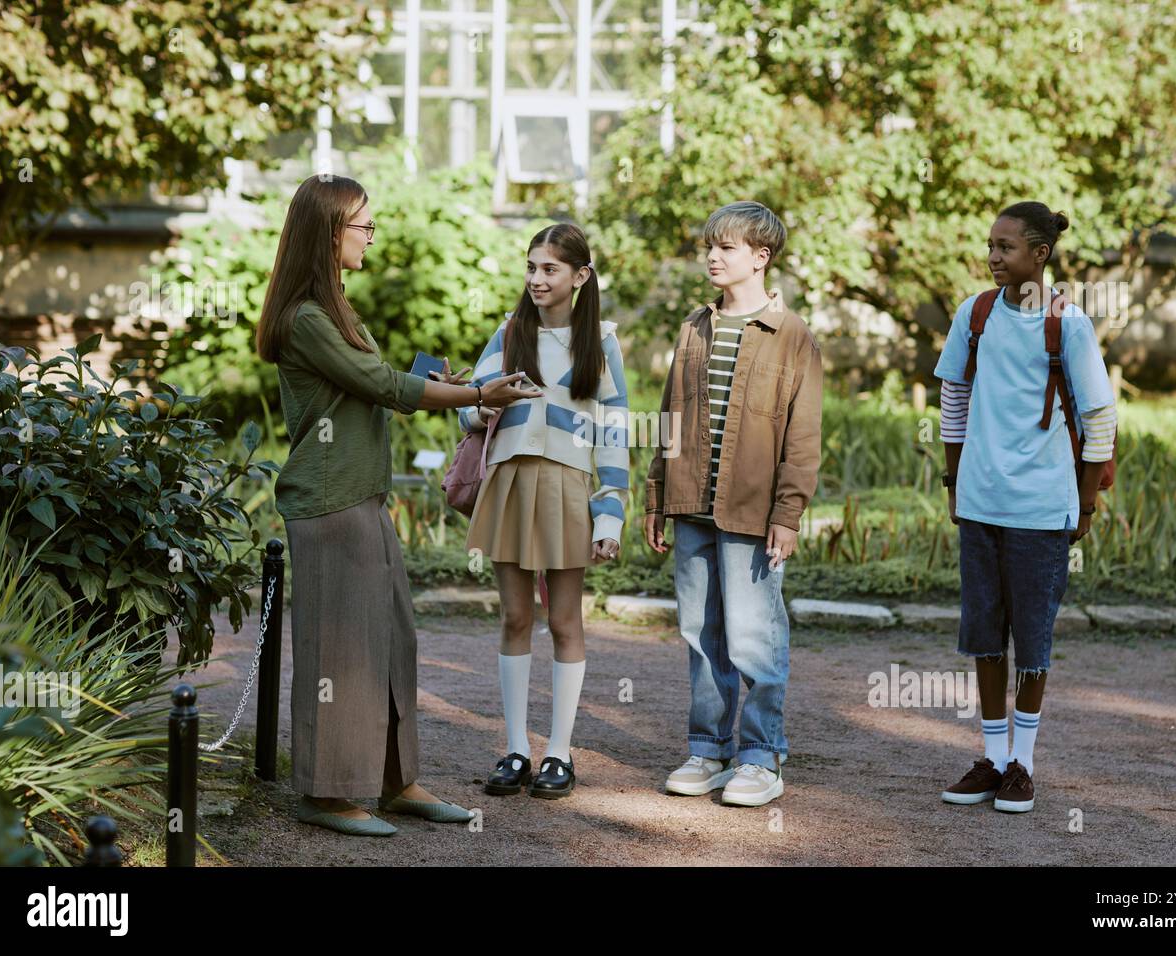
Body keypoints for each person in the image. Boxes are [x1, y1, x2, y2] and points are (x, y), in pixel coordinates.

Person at [256, 174, 539, 836]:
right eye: (364, 226)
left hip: (363, 498)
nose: (370, 237)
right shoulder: (305, 319)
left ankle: (393, 782)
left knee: (392, 642)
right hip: (328, 501)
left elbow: (375, 386)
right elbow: (378, 383)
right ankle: (326, 795)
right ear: (329, 233)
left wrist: (441, 385)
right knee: (339, 653)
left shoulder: (339, 310)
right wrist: (475, 397)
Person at [934, 201, 1117, 813]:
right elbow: (954, 398)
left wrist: (1085, 504)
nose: (993, 257)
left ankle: (1023, 765)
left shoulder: (1068, 325)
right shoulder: (974, 314)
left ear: (1040, 255)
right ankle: (989, 759)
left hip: (1042, 507)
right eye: (990, 245)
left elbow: (1099, 418)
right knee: (985, 635)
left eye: (1006, 247)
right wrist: (955, 484)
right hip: (982, 503)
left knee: (1032, 640)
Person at [645, 200, 822, 808]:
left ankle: (761, 756)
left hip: (753, 512)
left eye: (727, 248)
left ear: (761, 256)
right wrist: (655, 495)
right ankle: (708, 749)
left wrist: (788, 514)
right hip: (691, 503)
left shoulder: (791, 335)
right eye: (709, 247)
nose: (713, 258)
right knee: (700, 634)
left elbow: (803, 436)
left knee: (754, 635)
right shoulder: (695, 327)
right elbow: (670, 416)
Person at [460, 223, 629, 800]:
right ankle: (514, 749)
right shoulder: (507, 332)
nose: (537, 278)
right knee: (513, 617)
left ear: (580, 277)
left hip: (568, 488)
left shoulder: (601, 342)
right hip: (509, 480)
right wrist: (480, 409)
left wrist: (611, 513)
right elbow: (470, 408)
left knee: (563, 621)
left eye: (550, 268)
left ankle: (559, 753)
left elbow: (614, 430)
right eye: (531, 266)